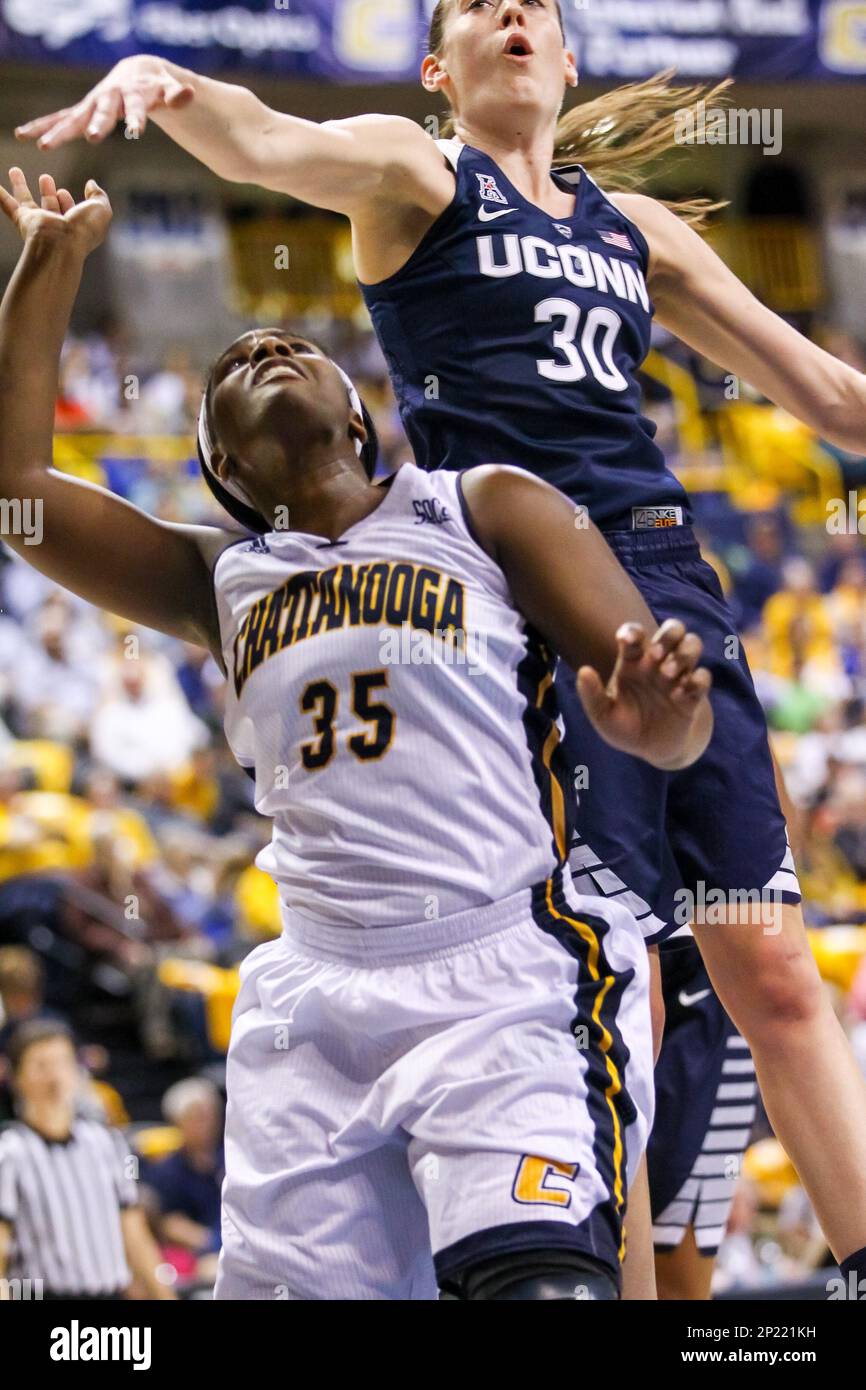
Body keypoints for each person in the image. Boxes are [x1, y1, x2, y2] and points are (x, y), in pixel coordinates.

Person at [22, 3, 866, 1297]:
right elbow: (261, 142)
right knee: (613, 983)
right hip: (516, 589)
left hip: (647, 566)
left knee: (770, 968)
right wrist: (165, 82)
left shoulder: (626, 230)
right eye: (475, 4)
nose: (512, 12)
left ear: (568, 57)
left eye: (534, 1)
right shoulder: (416, 171)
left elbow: (832, 398)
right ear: (437, 70)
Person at [0, 168, 712, 1299]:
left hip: (499, 971)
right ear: (223, 470)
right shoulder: (221, 578)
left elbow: (672, 724)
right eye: (230, 367)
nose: (259, 351)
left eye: (287, 345)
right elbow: (16, 486)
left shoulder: (484, 506)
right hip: (317, 1001)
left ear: (358, 409)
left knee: (541, 1288)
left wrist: (654, 719)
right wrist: (47, 261)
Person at [0, 1019, 173, 1300]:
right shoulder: (9, 1153)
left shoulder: (110, 1143)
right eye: (41, 1066)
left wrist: (164, 1296)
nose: (54, 1077)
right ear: (17, 1077)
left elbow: (134, 1232)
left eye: (63, 1063)